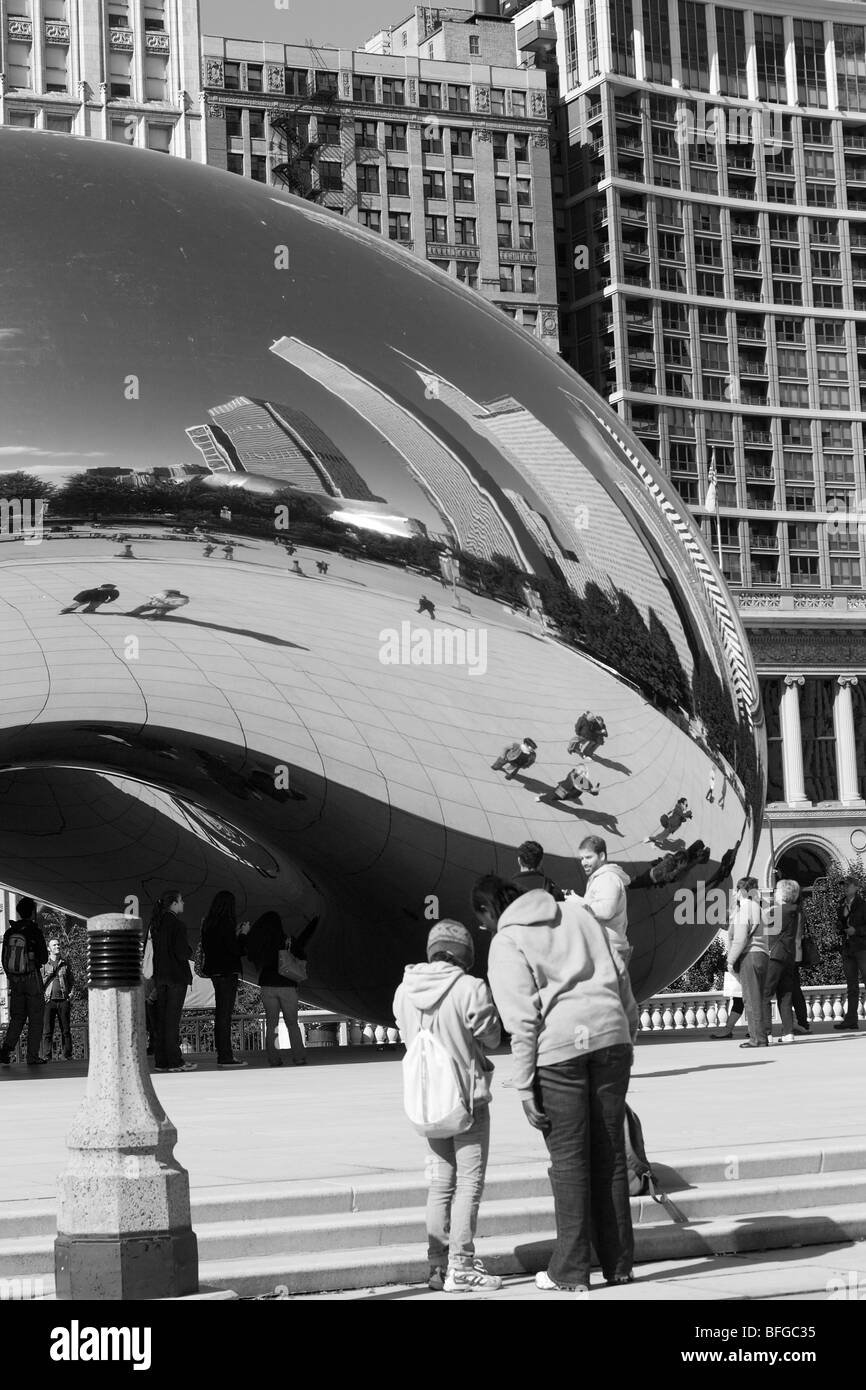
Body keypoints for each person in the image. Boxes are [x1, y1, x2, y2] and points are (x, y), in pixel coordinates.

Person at [475, 875, 638, 1295]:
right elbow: (619, 972)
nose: (483, 927)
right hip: (610, 1037)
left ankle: (570, 1271)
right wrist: (627, 1029)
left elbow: (522, 1020)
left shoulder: (507, 941)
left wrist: (524, 1085)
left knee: (569, 1162)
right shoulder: (579, 915)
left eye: (481, 919)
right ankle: (619, 1265)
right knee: (610, 1155)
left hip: (559, 1051)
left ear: (488, 911)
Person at [393, 920, 503, 1294]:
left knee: (440, 1184)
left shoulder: (404, 991)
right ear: (465, 956)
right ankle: (462, 1266)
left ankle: (437, 1267)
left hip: (429, 1103)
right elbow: (492, 1037)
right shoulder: (470, 988)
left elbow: (405, 1034)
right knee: (469, 1183)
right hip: (467, 1100)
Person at [246, 911, 308, 1067]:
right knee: (292, 1024)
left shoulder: (261, 944)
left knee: (271, 1024)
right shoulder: (288, 941)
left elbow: (250, 956)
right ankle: (299, 1058)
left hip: (267, 986)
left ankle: (274, 1059)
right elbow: (302, 956)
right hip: (287, 986)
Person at [200, 891, 250, 1069]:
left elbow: (213, 946)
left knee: (220, 1013)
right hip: (228, 972)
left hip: (214, 972)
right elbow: (235, 949)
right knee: (225, 1015)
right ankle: (225, 1055)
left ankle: (222, 1053)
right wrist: (243, 934)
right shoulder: (226, 922)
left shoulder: (208, 923)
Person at [151, 889, 196, 1074]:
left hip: (160, 977)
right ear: (174, 903)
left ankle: (161, 1061)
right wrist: (190, 950)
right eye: (181, 900)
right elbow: (182, 952)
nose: (183, 903)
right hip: (176, 977)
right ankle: (175, 1061)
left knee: (162, 1020)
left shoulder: (156, 924)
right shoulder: (178, 925)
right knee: (172, 1021)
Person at [0, 898, 49, 1067]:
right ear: (33, 912)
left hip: (15, 981)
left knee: (17, 1017)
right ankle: (32, 1056)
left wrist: (12, 976)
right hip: (32, 979)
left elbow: (4, 959)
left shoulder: (9, 932)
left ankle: (6, 1050)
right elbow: (44, 958)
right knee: (36, 1018)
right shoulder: (35, 932)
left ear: (19, 912)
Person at [571, 836, 631, 967]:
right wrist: (577, 899)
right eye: (582, 858)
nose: (583, 862)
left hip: (609, 951)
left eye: (588, 857)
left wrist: (577, 902)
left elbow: (606, 911)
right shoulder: (601, 877)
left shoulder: (608, 878)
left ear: (602, 856)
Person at [727, 876, 768, 1049]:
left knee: (750, 999)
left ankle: (756, 1039)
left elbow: (740, 938)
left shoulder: (745, 909)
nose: (734, 894)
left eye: (736, 890)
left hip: (749, 956)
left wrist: (730, 960)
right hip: (762, 954)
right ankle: (761, 1036)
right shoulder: (759, 908)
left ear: (741, 891)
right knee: (758, 998)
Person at [761, 879, 801, 1045]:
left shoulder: (778, 911)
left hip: (775, 955)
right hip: (789, 956)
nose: (775, 892)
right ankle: (788, 1032)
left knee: (764, 994)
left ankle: (766, 1033)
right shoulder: (795, 910)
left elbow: (762, 927)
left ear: (783, 892)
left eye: (777, 889)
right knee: (785, 995)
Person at [834, 875, 866, 1032]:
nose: (845, 888)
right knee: (851, 986)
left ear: (856, 887)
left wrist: (857, 931)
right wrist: (841, 927)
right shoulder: (841, 904)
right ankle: (851, 1020)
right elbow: (840, 924)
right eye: (844, 885)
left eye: (848, 885)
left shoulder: (863, 905)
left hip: (862, 948)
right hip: (847, 948)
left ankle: (851, 1019)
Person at [41, 937, 75, 1061]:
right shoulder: (44, 965)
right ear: (49, 949)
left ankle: (67, 1055)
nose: (57, 946)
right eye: (54, 945)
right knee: (47, 1031)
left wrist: (71, 994)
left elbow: (71, 981)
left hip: (63, 1000)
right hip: (48, 1000)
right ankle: (46, 1056)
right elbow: (39, 983)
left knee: (66, 1030)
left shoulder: (65, 963)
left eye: (58, 944)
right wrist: (50, 973)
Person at [711, 925, 745, 1040]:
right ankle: (756, 1029)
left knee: (743, 999)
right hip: (740, 962)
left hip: (741, 963)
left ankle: (728, 1029)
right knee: (740, 999)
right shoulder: (737, 923)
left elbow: (740, 942)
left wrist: (731, 961)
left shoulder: (739, 922)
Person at [535, 764, 600, 806]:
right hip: (563, 789)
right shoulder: (572, 774)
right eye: (579, 770)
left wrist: (595, 791)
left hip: (571, 794)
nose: (581, 773)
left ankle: (546, 797)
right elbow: (573, 783)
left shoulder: (584, 781)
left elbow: (593, 791)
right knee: (553, 796)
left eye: (583, 772)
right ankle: (541, 798)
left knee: (558, 797)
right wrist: (587, 789)